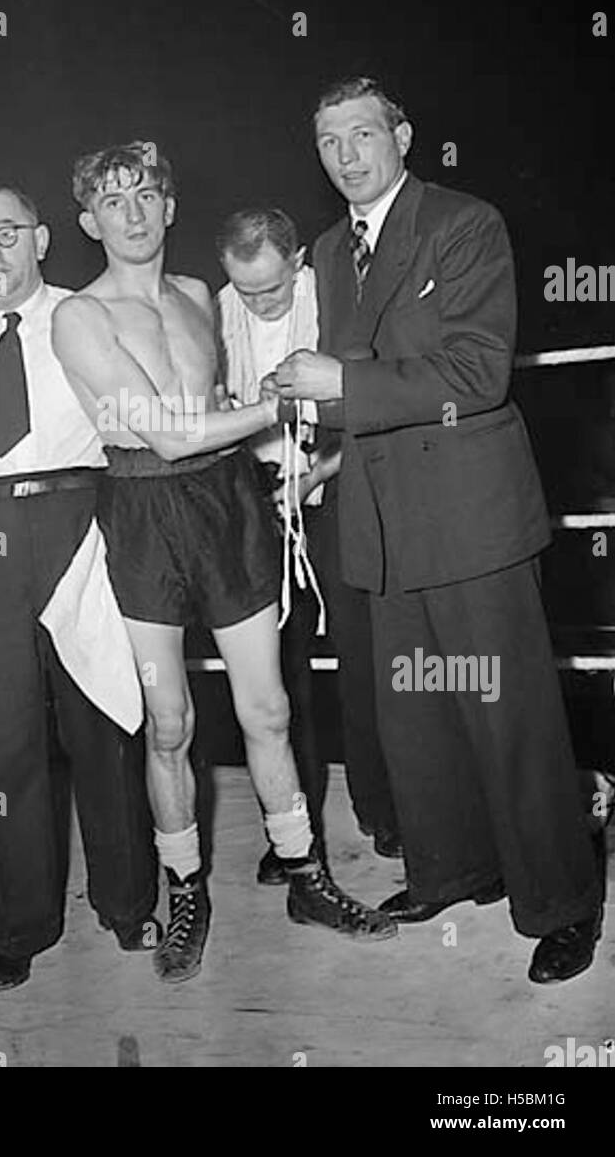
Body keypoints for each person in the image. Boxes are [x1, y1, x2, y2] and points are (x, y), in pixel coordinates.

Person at [270, 76, 603, 984]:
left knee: (511, 717)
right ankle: (453, 870)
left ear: (402, 136)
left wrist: (336, 385)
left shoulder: (464, 224)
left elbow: (475, 372)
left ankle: (562, 901)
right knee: (414, 717)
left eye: (362, 133)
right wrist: (310, 449)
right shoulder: (332, 253)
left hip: (470, 517)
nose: (346, 154)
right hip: (379, 520)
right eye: (329, 140)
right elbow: (360, 384)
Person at [52, 140, 396, 986]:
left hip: (228, 504)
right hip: (140, 510)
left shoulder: (200, 294)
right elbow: (165, 432)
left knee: (270, 707)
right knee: (168, 724)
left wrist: (290, 425)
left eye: (145, 196)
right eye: (112, 200)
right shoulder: (78, 316)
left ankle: (305, 875)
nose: (131, 213)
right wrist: (279, 401)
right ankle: (184, 891)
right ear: (88, 220)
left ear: (169, 208)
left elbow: (226, 395)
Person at [0, 185, 160, 994]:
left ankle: (129, 904)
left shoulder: (87, 317)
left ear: (43, 239)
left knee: (105, 721)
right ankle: (20, 926)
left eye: (8, 233)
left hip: (80, 523)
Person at [216, 207, 400, 876]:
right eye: (244, 290)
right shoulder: (212, 314)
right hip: (256, 502)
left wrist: (313, 477)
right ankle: (290, 836)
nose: (259, 303)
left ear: (297, 264)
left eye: (271, 288)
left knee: (363, 658)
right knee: (274, 676)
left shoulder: (337, 301)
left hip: (335, 494)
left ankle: (383, 814)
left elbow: (375, 413)